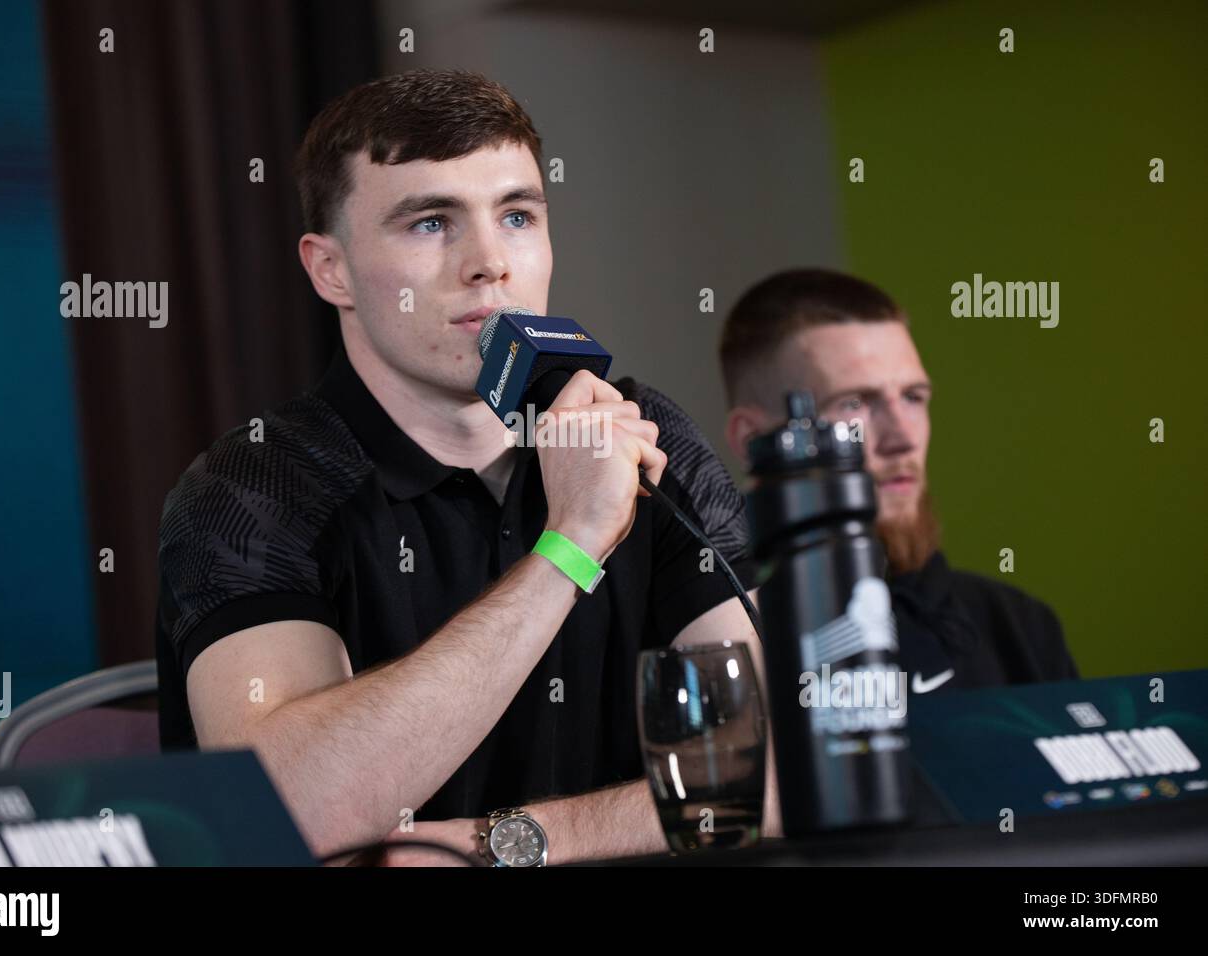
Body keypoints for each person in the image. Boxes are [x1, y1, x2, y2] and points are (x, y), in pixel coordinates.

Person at [155, 69, 773, 866]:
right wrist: (572, 543)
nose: (490, 263)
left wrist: (495, 845)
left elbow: (775, 775)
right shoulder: (252, 484)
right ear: (329, 270)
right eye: (429, 223)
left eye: (517, 215)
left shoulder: (646, 436)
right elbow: (292, 814)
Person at [720, 268, 1078, 698]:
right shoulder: (723, 637)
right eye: (853, 402)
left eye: (913, 397)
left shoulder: (1018, 628)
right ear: (755, 440)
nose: (903, 438)